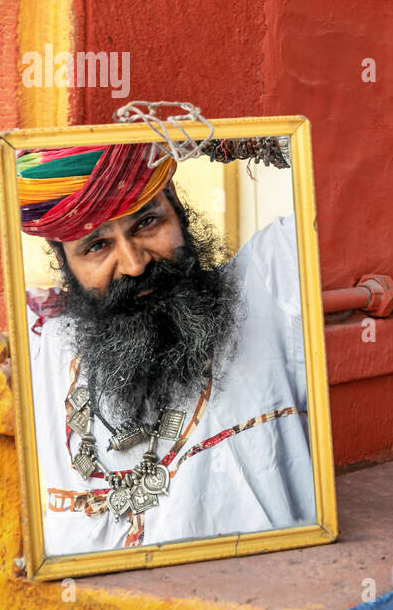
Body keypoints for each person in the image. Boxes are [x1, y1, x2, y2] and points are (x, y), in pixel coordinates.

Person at [17, 142, 315, 553]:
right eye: (97, 246)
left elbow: (347, 176)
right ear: (66, 264)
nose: (135, 264)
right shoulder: (44, 349)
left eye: (147, 223)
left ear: (178, 210)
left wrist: (222, 137)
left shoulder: (267, 287)